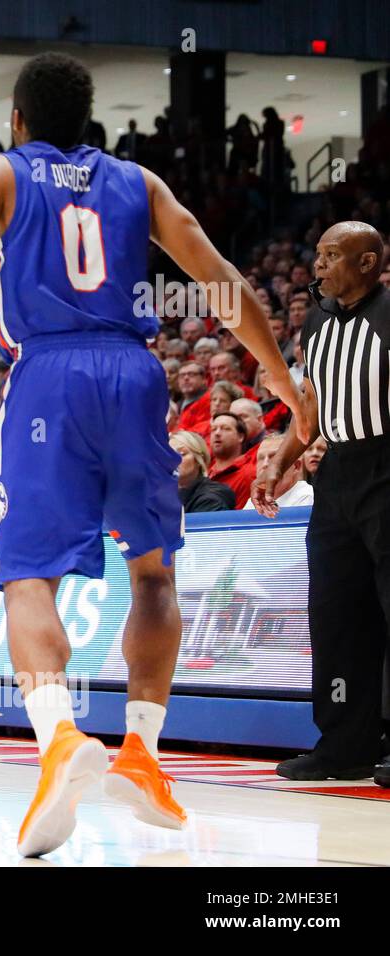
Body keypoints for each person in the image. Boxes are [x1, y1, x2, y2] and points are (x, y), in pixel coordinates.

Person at [0, 52, 309, 857]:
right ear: (91, 125)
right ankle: (143, 754)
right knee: (152, 571)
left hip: (51, 377)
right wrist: (283, 381)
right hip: (136, 373)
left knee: (26, 573)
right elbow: (220, 280)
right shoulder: (138, 183)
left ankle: (60, 740)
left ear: (16, 120)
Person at [252, 221, 390, 787]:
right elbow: (309, 405)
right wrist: (280, 461)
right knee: (335, 612)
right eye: (319, 255)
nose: (321, 266)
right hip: (335, 478)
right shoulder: (319, 320)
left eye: (334, 256)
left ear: (368, 263)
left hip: (386, 467)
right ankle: (344, 743)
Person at [170, 431, 235, 512]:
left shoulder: (211, 500)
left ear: (199, 460)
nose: (174, 459)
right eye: (169, 454)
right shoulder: (164, 493)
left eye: (182, 453)